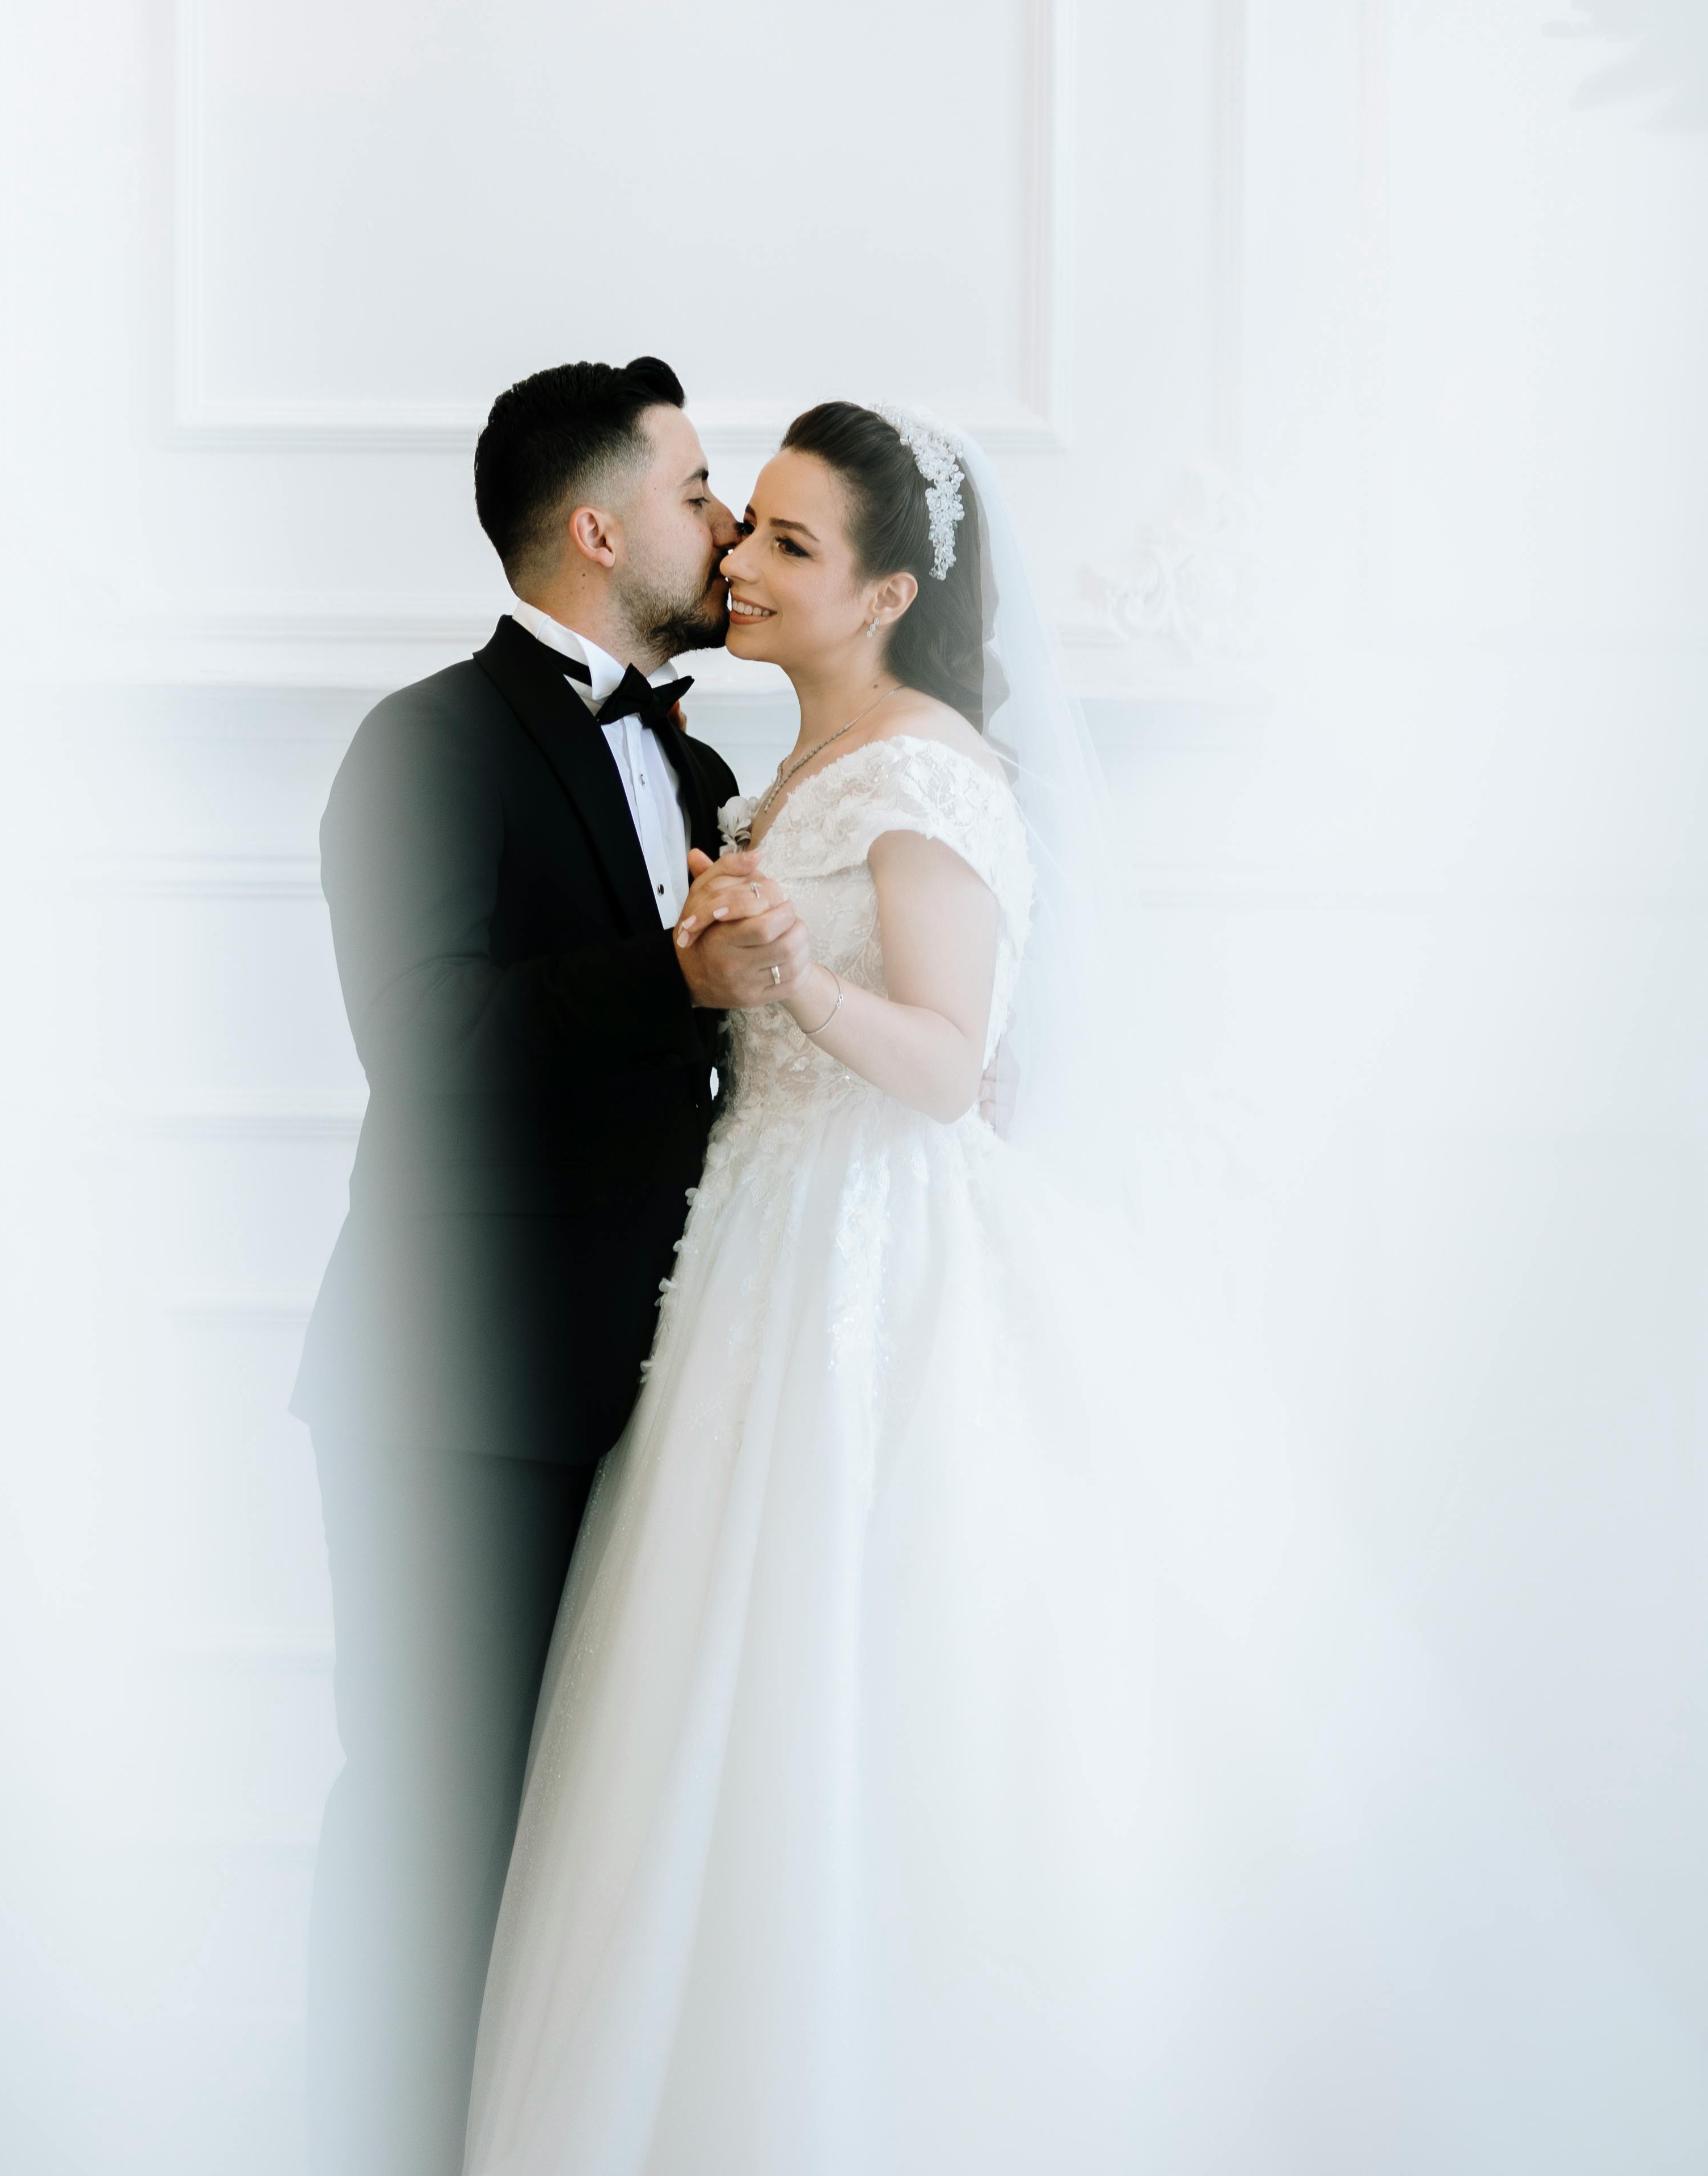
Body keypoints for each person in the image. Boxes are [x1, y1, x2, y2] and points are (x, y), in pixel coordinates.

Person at [461, 400, 1708, 2176]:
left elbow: (947, 1065)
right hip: (760, 1246)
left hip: (872, 1255)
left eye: (793, 543)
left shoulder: (924, 774)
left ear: (891, 595)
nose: (740, 558)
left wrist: (797, 981)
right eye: (749, 525)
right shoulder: (800, 771)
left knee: (888, 1682)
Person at [288, 357, 804, 2176]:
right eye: (696, 490)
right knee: (440, 1819)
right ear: (596, 530)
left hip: (664, 1394)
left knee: (607, 1834)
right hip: (462, 1401)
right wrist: (673, 977)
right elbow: (425, 1042)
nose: (727, 523)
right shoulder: (423, 745)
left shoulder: (706, 766)